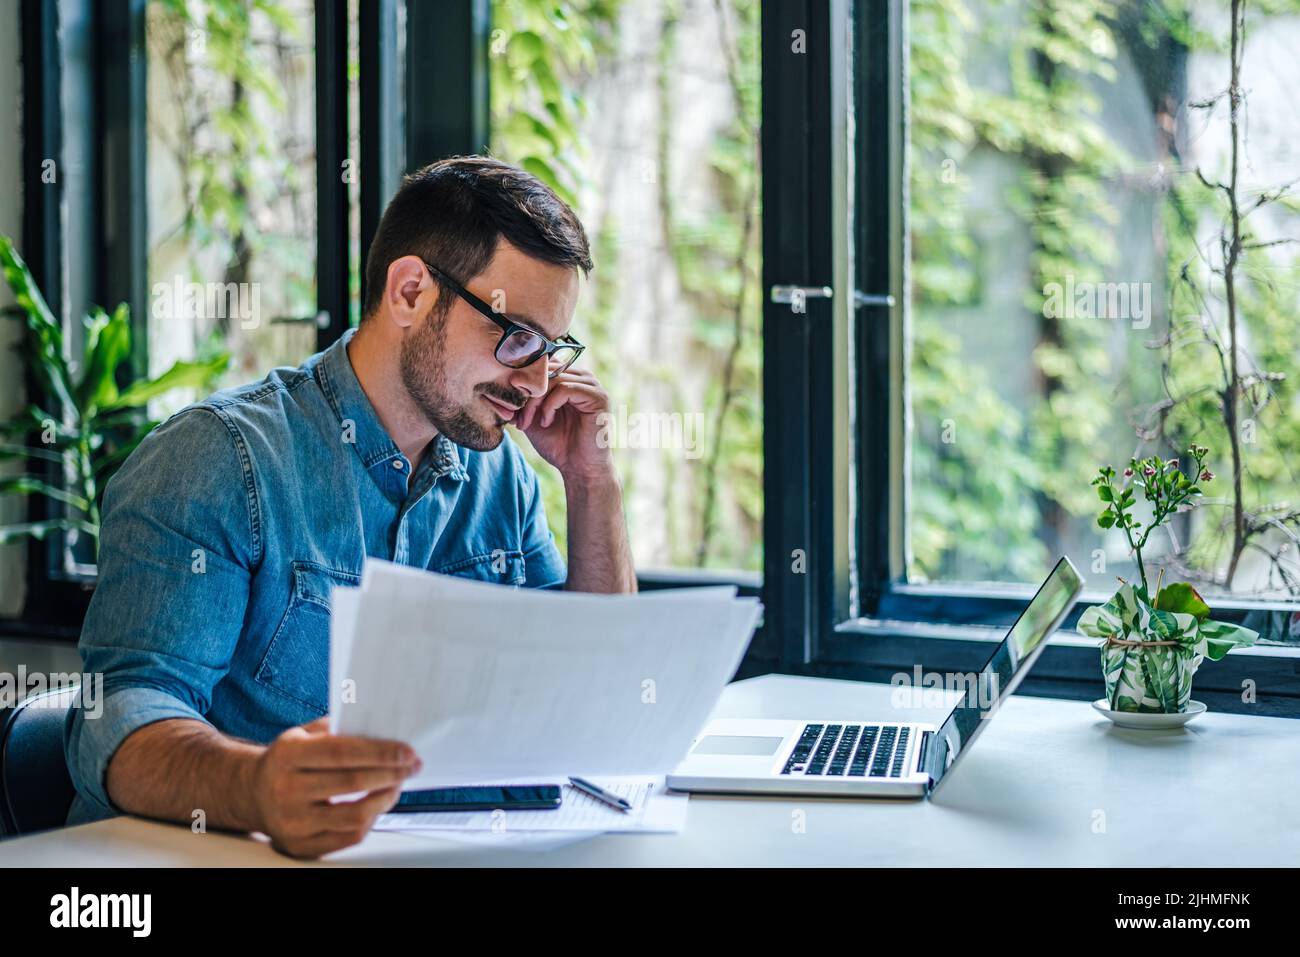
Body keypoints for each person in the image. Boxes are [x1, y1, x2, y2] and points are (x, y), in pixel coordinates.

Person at [64, 156, 636, 858]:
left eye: (554, 349)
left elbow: (593, 700)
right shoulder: (219, 459)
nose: (537, 380)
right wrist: (256, 788)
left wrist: (591, 480)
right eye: (516, 337)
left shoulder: (503, 477)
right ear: (409, 292)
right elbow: (118, 714)